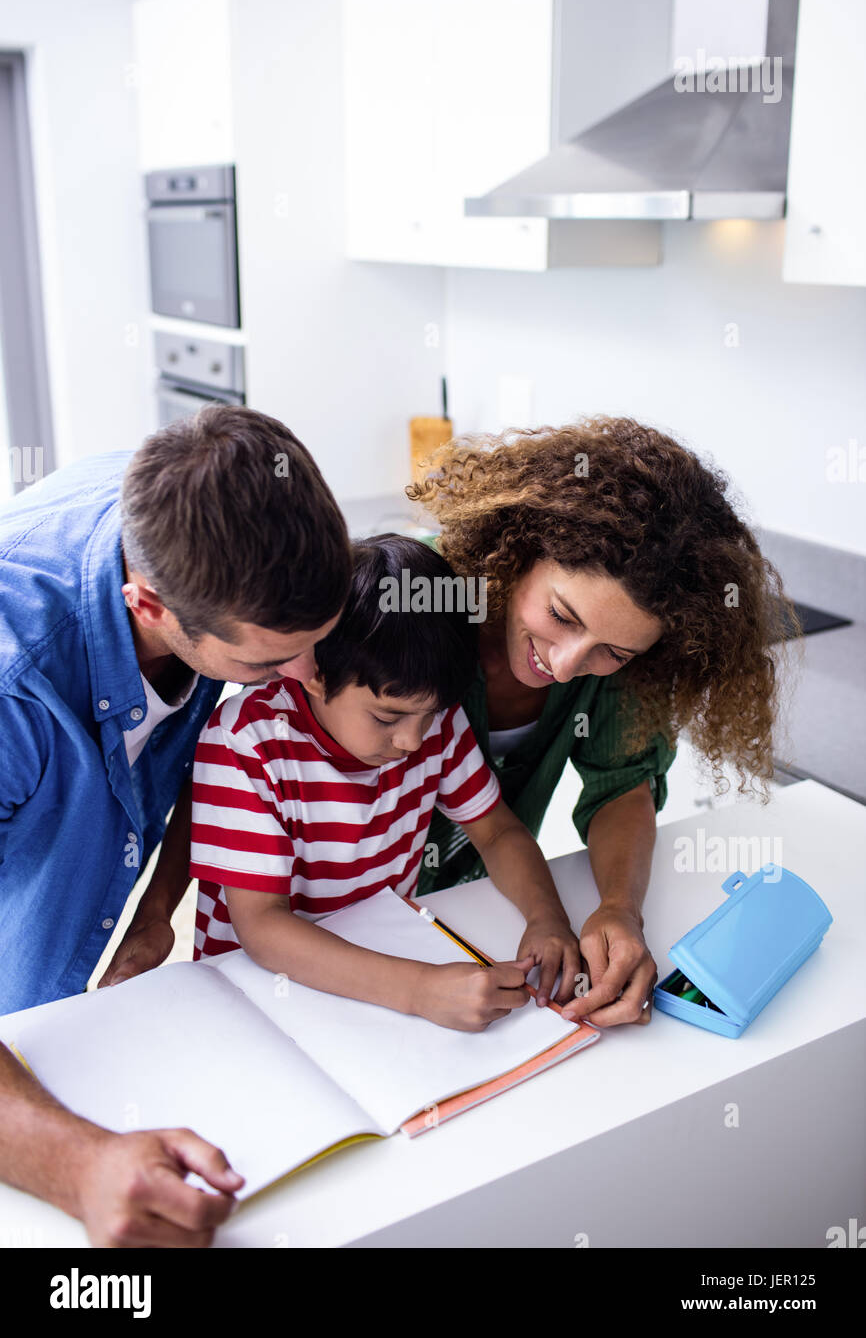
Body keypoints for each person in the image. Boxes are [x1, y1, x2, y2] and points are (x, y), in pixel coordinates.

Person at [0, 405, 352, 1247]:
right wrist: (76, 1165)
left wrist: (159, 907)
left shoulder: (213, 524)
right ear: (149, 605)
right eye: (267, 662)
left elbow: (209, 749)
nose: (307, 676)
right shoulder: (15, 690)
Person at [408, 416, 796, 1028]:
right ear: (519, 551)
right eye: (562, 616)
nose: (565, 666)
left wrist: (620, 909)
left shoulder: (626, 666)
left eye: (613, 652)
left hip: (487, 917)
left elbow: (621, 783)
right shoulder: (414, 597)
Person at [190, 535, 582, 1025]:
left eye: (430, 714)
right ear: (315, 672)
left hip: (380, 976)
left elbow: (497, 832)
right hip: (253, 995)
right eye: (386, 717)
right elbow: (262, 928)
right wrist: (419, 990)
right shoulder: (247, 741)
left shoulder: (434, 722)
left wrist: (548, 918)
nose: (412, 741)